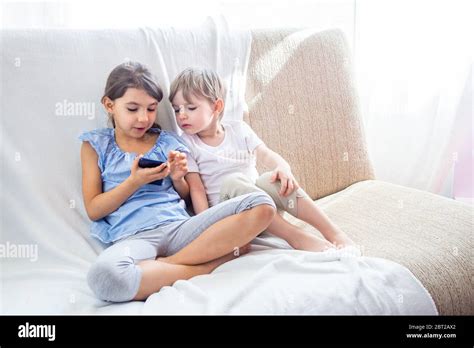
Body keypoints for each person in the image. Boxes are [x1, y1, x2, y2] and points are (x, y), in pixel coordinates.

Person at [79, 62, 276, 302]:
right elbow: (94, 209)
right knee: (106, 277)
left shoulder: (169, 141)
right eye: (132, 109)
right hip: (134, 237)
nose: (144, 118)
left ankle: (167, 265)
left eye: (151, 109)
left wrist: (177, 178)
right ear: (109, 105)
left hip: (180, 228)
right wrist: (133, 182)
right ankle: (207, 265)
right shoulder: (95, 146)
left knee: (262, 204)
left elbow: (184, 196)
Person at [169, 67, 356, 252]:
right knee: (234, 181)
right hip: (229, 216)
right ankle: (296, 237)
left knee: (270, 179)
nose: (182, 115)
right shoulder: (187, 144)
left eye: (191, 108)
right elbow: (197, 189)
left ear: (217, 107)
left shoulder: (239, 130)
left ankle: (334, 233)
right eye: (177, 110)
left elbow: (266, 154)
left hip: (264, 208)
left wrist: (283, 168)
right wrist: (206, 226)